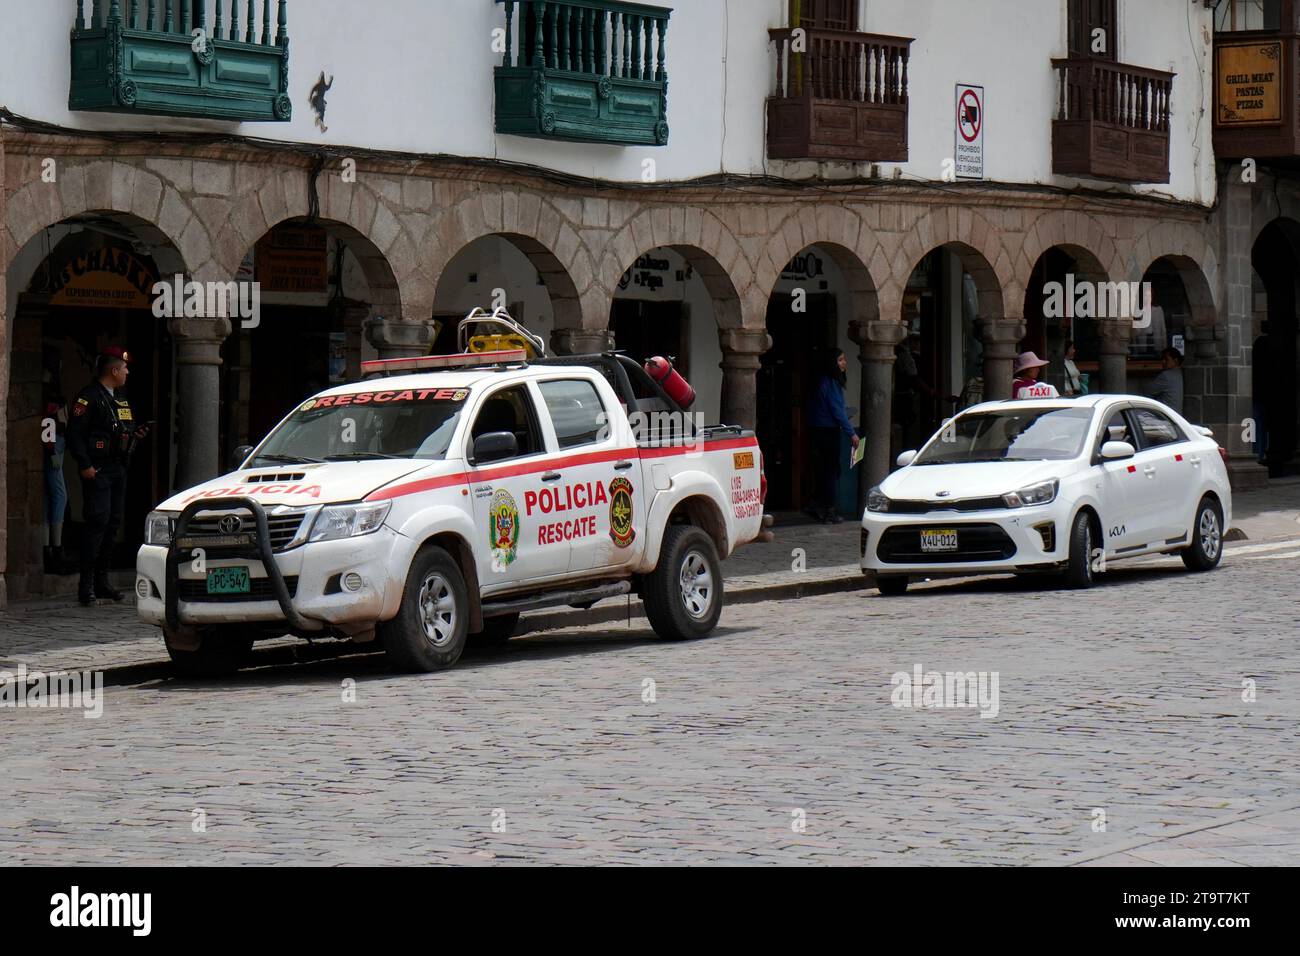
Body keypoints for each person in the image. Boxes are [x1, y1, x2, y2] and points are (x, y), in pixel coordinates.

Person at [66, 347, 151, 606]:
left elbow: (122, 427)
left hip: (118, 468)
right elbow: (75, 434)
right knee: (97, 524)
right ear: (114, 370)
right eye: (124, 368)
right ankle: (86, 586)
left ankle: (103, 582)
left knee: (113, 524)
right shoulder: (88, 398)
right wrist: (84, 464)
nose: (127, 372)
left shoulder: (119, 398)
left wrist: (135, 434)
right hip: (98, 470)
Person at [807, 349, 859, 524]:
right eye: (840, 360)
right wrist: (851, 432)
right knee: (830, 471)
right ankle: (828, 510)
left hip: (819, 430)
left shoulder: (823, 382)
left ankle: (819, 505)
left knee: (824, 470)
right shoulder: (830, 383)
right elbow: (837, 411)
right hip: (827, 432)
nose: (844, 363)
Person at [41, 363, 76, 575]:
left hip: (56, 446)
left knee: (48, 498)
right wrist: (52, 449)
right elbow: (49, 424)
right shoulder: (50, 397)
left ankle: (50, 549)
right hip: (54, 447)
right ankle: (55, 548)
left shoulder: (52, 395)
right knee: (59, 496)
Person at [1251, 323, 1271, 464]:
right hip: (1266, 394)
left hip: (1258, 394)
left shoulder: (1259, 344)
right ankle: (1261, 452)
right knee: (1261, 426)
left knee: (1256, 426)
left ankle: (1258, 453)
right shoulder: (1270, 345)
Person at [1150, 346, 1184, 415]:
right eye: (1162, 359)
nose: (1163, 362)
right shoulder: (1180, 373)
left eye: (1166, 359)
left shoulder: (1166, 375)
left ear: (1175, 361)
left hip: (1164, 416)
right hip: (1177, 415)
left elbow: (1148, 392)